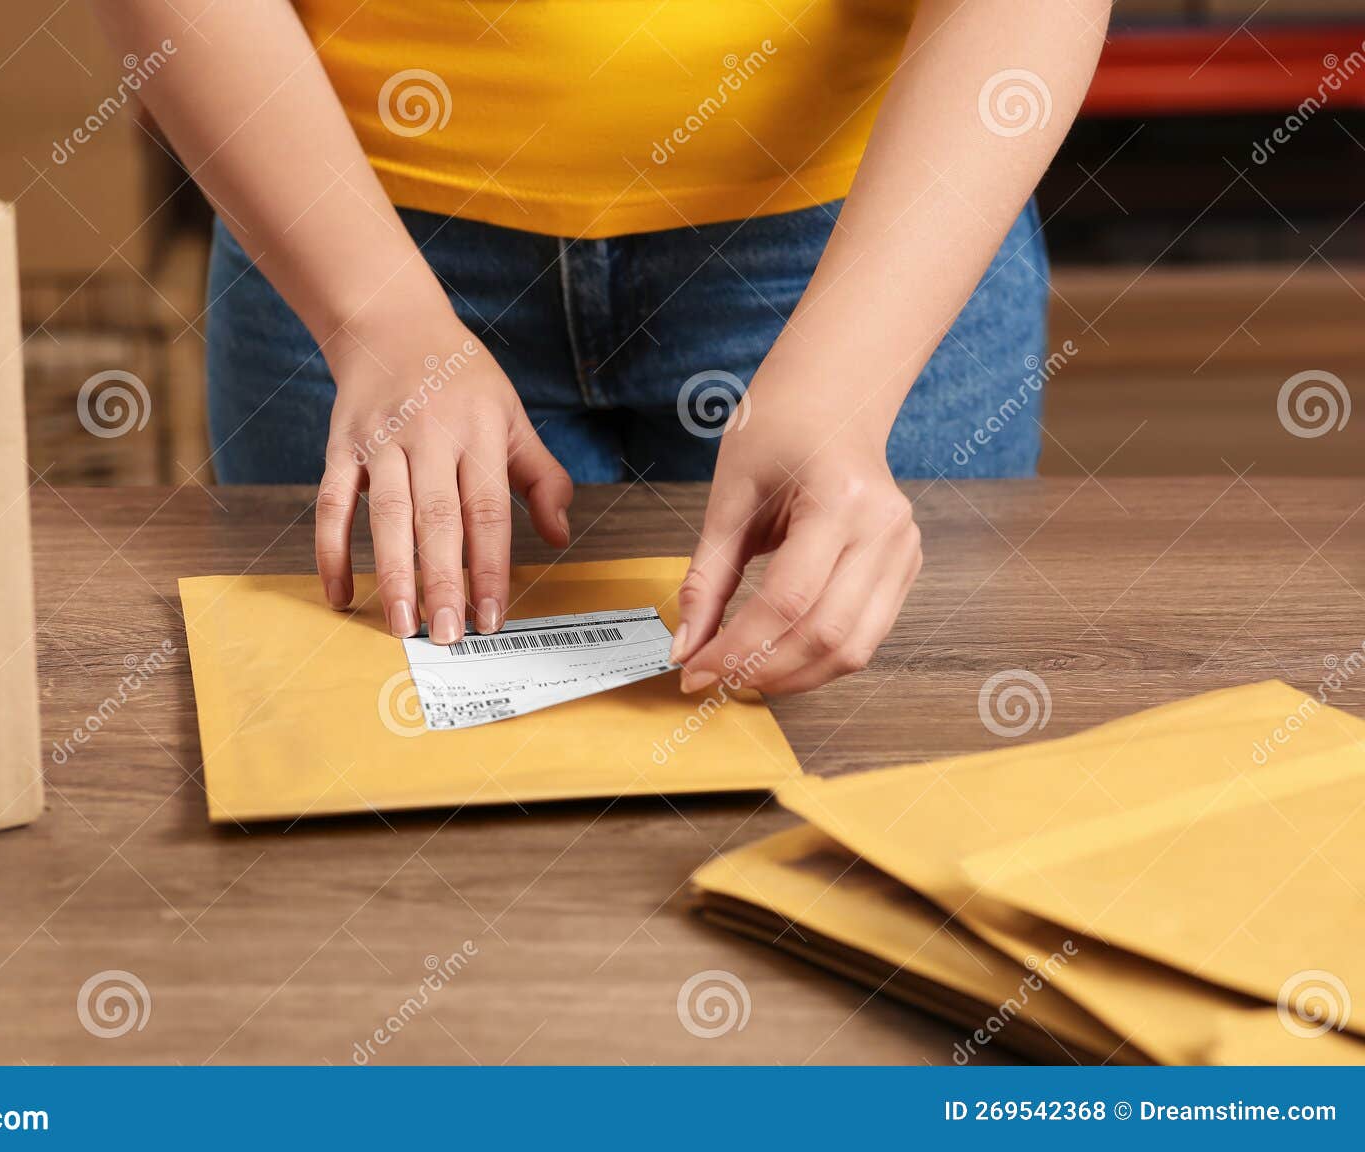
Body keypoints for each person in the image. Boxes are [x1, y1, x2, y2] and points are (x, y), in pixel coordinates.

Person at [94, 0, 1109, 694]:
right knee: (371, 844)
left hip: (865, 243)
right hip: (346, 229)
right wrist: (376, 318)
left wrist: (846, 381)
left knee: (882, 809)